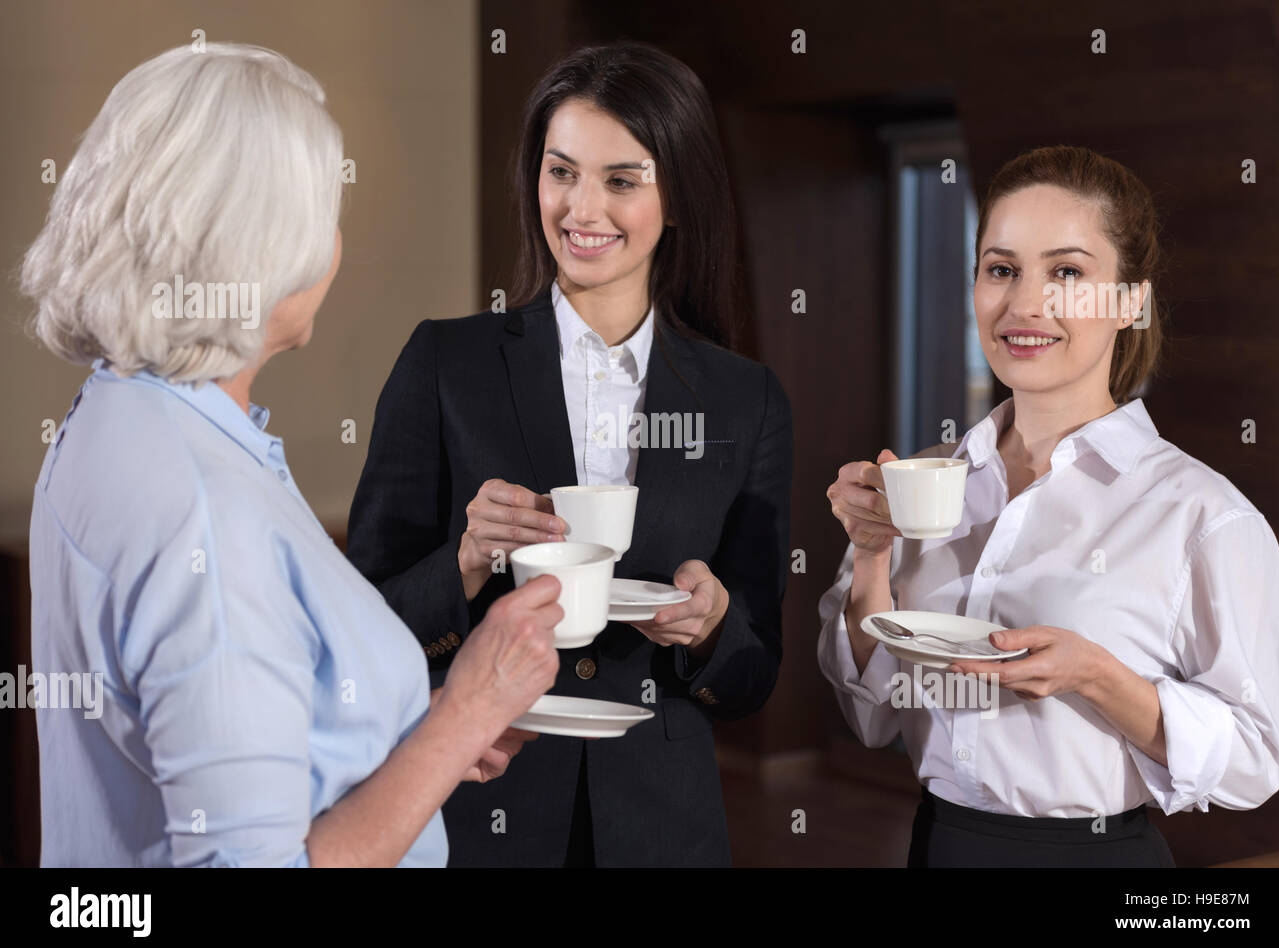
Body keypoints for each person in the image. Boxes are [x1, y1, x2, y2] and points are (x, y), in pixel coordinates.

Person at [21, 43, 561, 867]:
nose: (334, 244)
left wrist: (425, 733)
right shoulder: (205, 512)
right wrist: (467, 710)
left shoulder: (119, 417)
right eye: (322, 215)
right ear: (262, 248)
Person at [347, 42, 793, 866]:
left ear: (679, 196)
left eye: (622, 180)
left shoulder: (745, 399)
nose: (582, 209)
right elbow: (366, 629)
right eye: (562, 172)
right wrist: (469, 560)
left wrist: (712, 626)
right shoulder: (447, 365)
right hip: (479, 814)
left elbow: (754, 672)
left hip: (666, 829)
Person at [818, 145, 1279, 867]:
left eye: (1067, 272)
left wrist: (1097, 676)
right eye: (1001, 269)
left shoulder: (1202, 514)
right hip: (937, 845)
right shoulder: (921, 481)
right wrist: (873, 555)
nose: (1025, 304)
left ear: (1131, 301)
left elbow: (1253, 761)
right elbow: (874, 717)